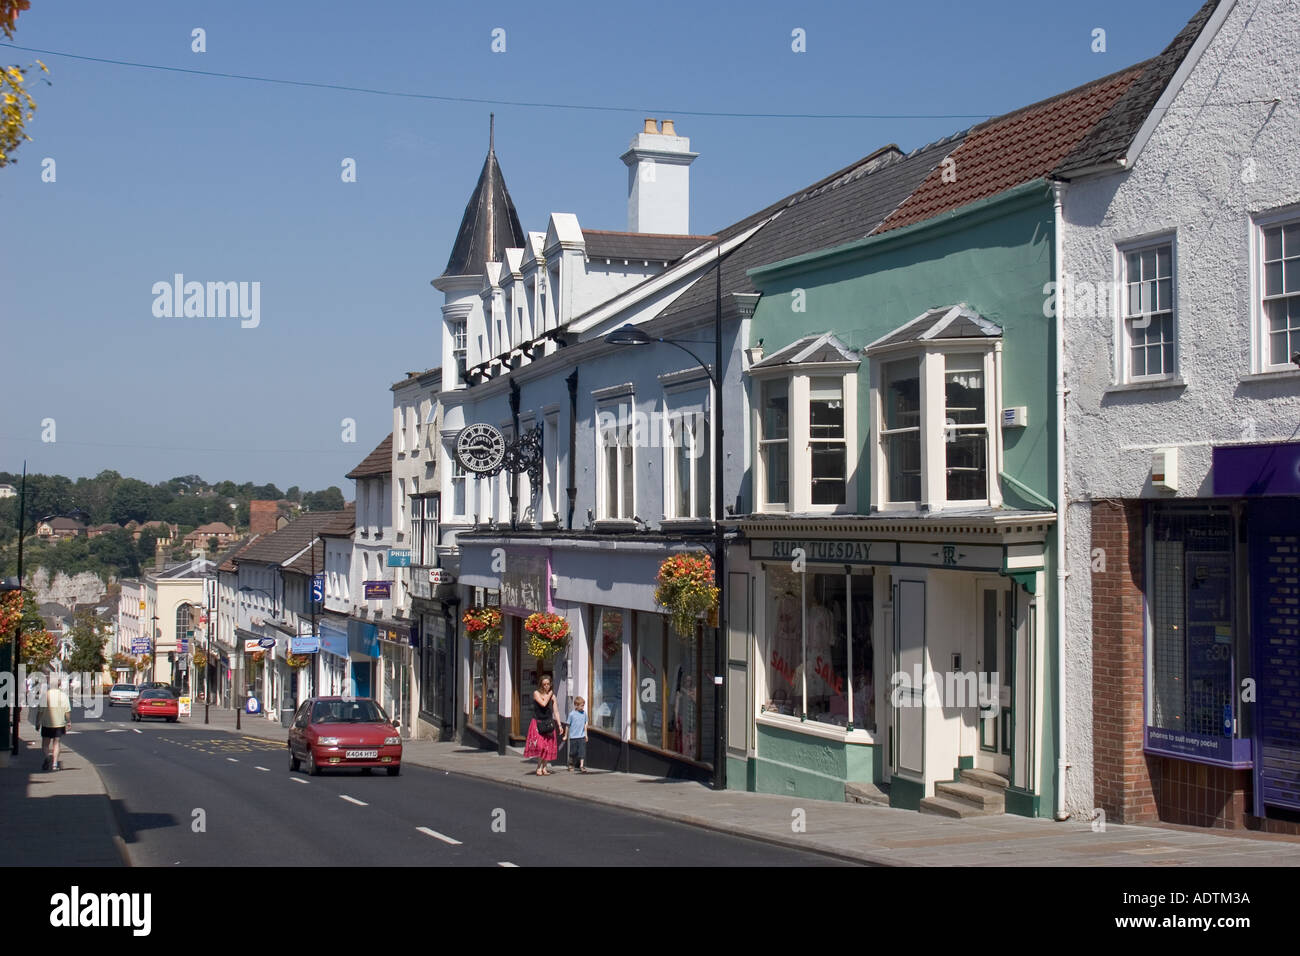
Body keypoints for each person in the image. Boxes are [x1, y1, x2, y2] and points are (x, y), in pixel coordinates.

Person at [523, 675, 561, 775]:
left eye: (548, 684)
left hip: (548, 723)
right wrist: (550, 694)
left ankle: (544, 767)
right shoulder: (537, 693)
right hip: (537, 723)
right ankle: (538, 767)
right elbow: (543, 704)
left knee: (548, 746)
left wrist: (560, 725)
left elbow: (556, 711)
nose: (546, 686)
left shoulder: (552, 696)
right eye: (544, 684)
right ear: (541, 685)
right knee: (540, 746)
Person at [38, 672, 72, 772]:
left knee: (45, 744)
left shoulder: (45, 695)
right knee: (56, 743)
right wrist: (68, 721)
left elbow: (40, 711)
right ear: (59, 684)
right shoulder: (63, 696)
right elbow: (67, 711)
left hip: (47, 723)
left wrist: (37, 722)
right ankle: (55, 764)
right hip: (59, 723)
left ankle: (47, 757)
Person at [565, 696, 589, 773]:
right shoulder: (572, 714)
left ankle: (582, 766)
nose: (583, 707)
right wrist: (566, 735)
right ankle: (571, 764)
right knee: (573, 752)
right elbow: (567, 725)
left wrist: (586, 734)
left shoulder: (584, 713)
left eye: (583, 705)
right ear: (576, 705)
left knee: (582, 751)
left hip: (581, 736)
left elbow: (585, 724)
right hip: (573, 737)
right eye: (581, 705)